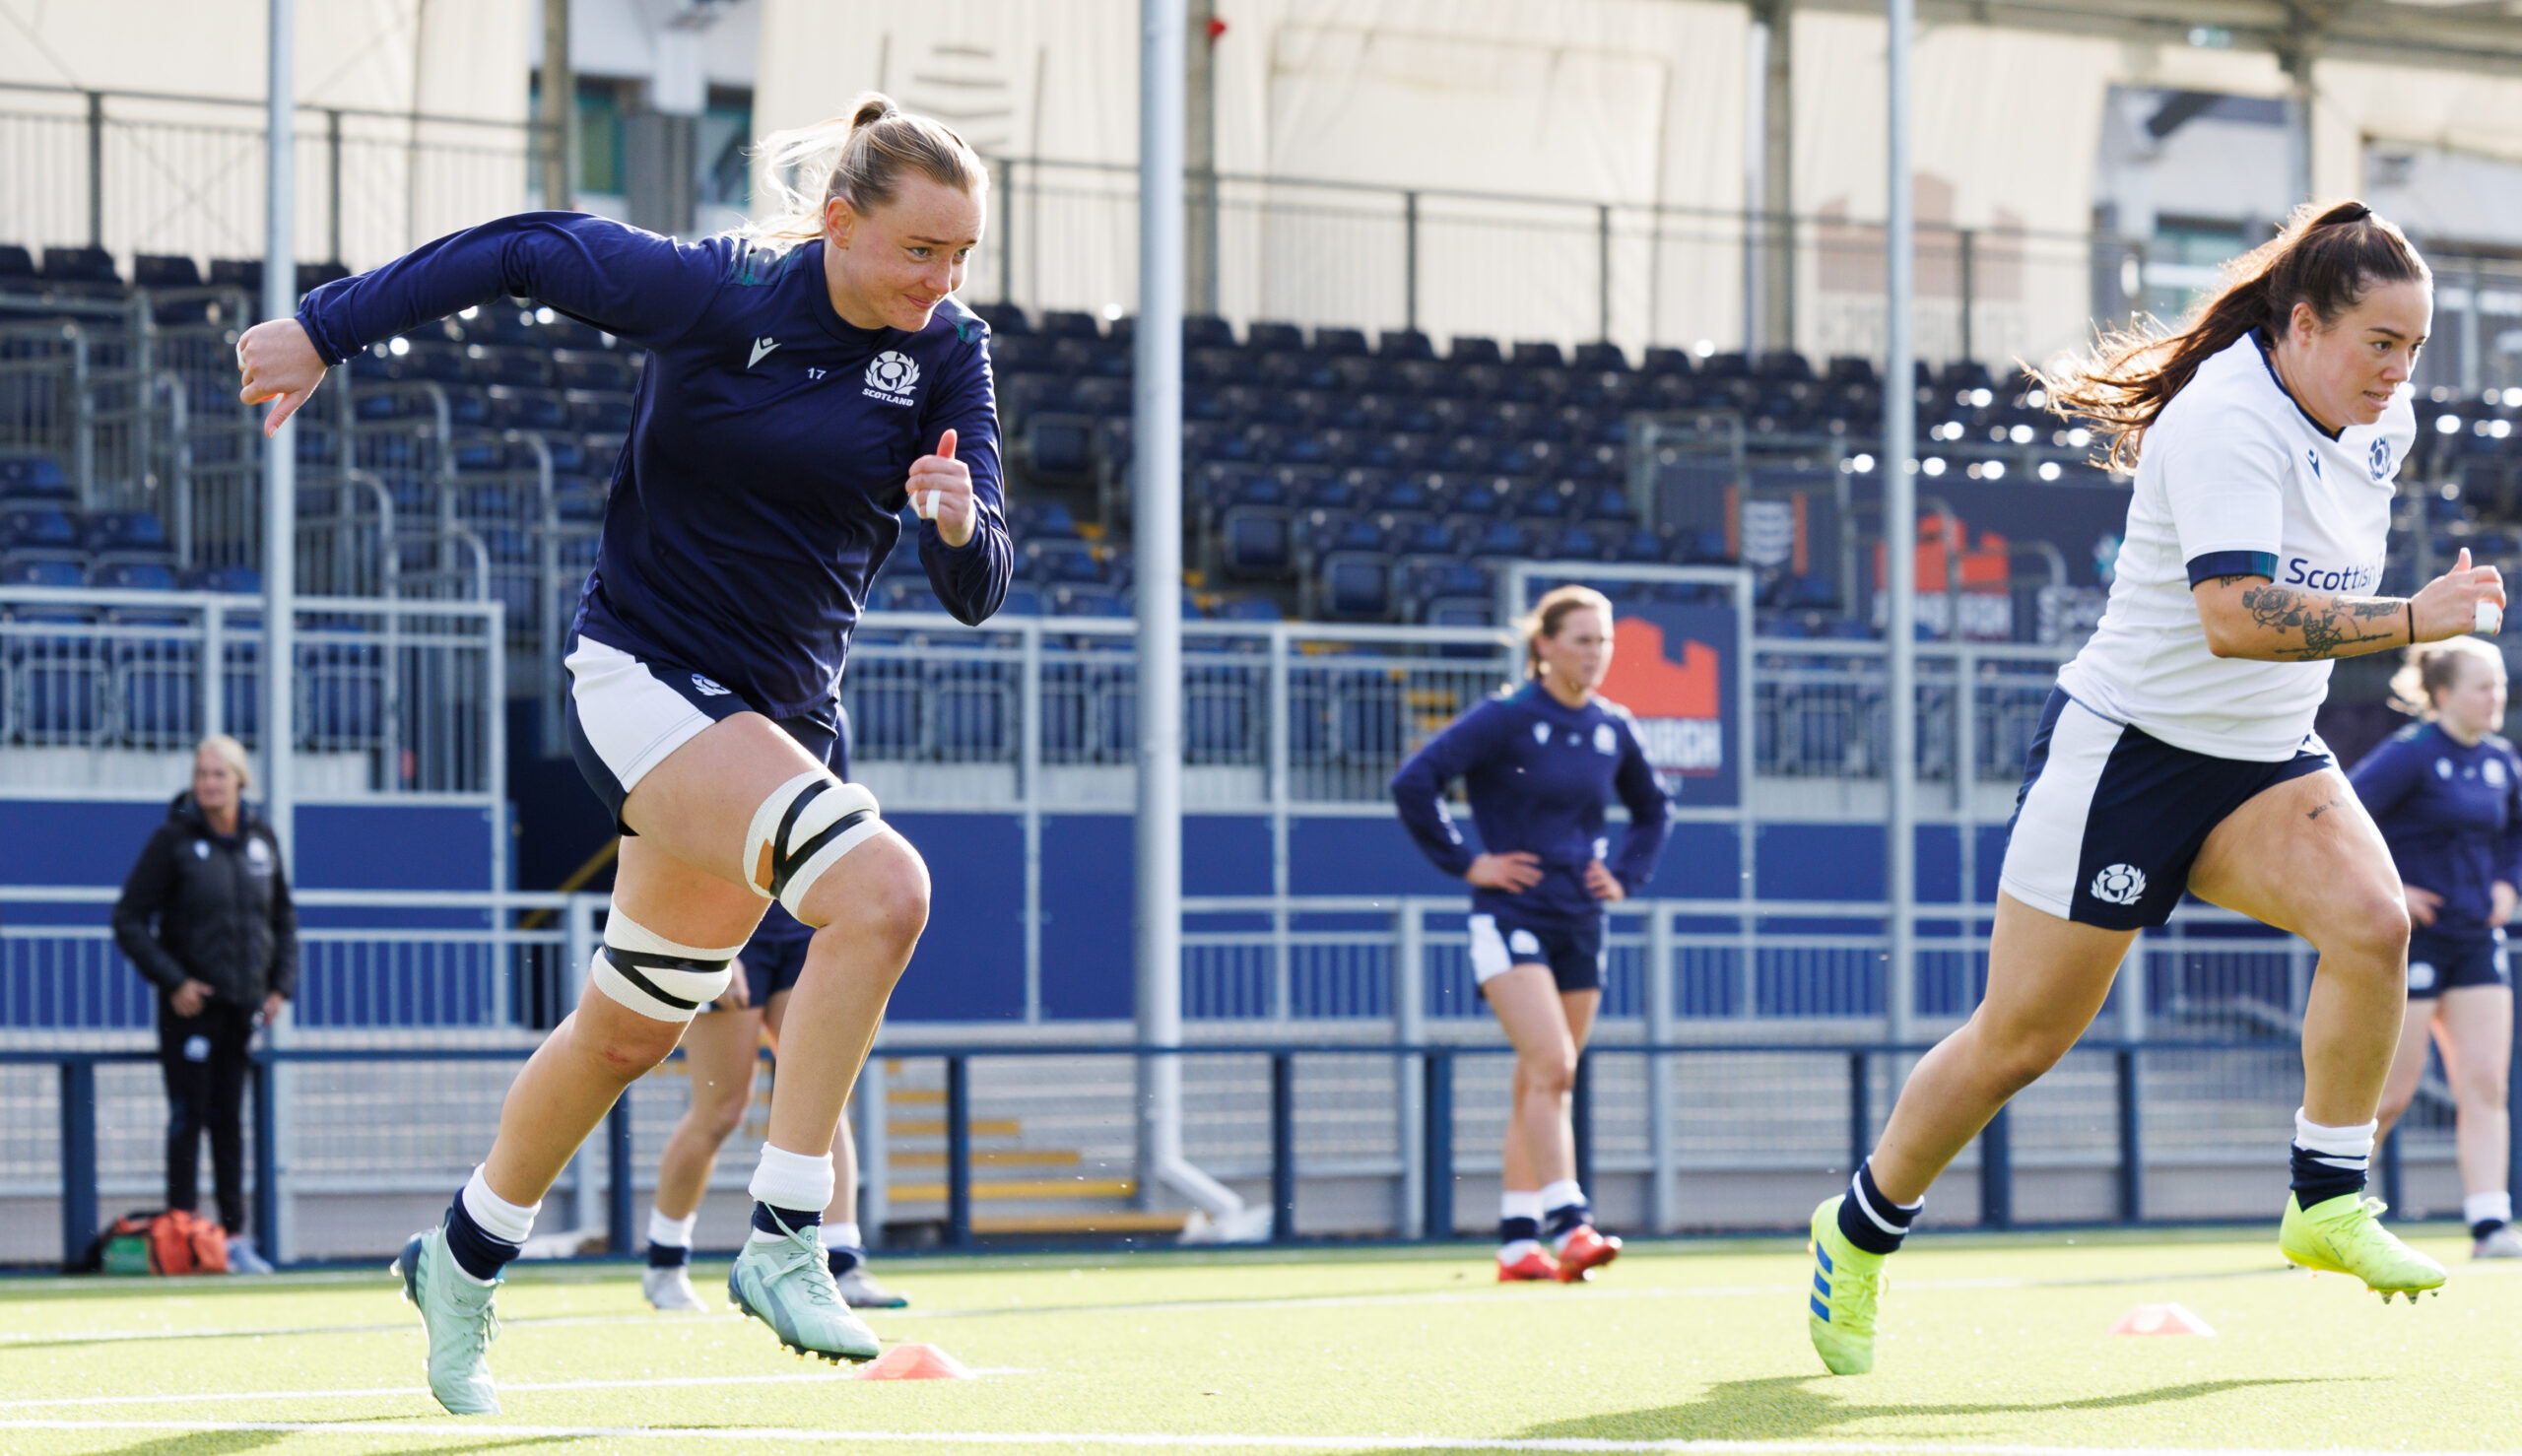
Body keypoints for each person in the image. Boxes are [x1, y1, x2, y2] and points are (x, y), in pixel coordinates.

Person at [234, 94, 1007, 1413]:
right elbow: (528, 248)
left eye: (963, 256)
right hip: (641, 674)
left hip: (773, 721)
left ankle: (459, 1255)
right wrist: (325, 325)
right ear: (838, 222)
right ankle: (786, 1233)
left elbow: (981, 584)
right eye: (920, 251)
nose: (943, 282)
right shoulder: (723, 290)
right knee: (887, 892)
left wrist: (953, 524)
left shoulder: (947, 354)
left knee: (626, 1032)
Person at [1800, 200, 2505, 1377]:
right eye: (2378, 341)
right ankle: (1859, 1226)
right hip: (2128, 755)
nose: (2398, 371)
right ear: (2299, 324)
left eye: (2414, 347)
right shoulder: (2223, 418)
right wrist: (2405, 620)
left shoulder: (2383, 420)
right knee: (2019, 1041)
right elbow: (2231, 618)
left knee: (2373, 924)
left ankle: (2325, 1195)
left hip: (2268, 759)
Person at [1390, 585, 1670, 1283]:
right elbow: (1414, 782)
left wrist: (1624, 875)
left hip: (1580, 918)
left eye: (1603, 640)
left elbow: (1653, 808)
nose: (1595, 653)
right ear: (1543, 645)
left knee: (1541, 1080)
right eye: (1581, 639)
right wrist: (1468, 862)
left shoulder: (1612, 725)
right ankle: (1571, 1221)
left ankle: (1518, 1241)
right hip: (1509, 916)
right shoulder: (1507, 717)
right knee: (1554, 1068)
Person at [2349, 637, 2522, 1259]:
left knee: (2485, 1085)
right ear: (2444, 694)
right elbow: (2345, 818)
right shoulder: (2411, 755)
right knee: (2391, 1092)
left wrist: (2508, 884)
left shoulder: (2502, 761)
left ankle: (2488, 1223)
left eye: (2498, 685)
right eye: (2482, 686)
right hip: (2413, 943)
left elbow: (2514, 838)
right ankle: (2327, 1213)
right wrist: (2396, 889)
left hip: (2476, 939)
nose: (2494, 697)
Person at [111, 734, 295, 1277]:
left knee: (230, 1123)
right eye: (202, 774)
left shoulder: (261, 839)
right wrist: (174, 980)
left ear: (240, 779)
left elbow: (283, 918)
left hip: (241, 1008)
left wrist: (279, 985)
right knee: (188, 1119)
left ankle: (233, 1238)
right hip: (189, 1011)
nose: (209, 783)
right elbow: (127, 919)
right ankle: (184, 1236)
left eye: (219, 774)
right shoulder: (172, 840)